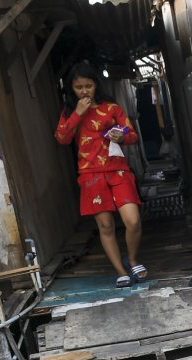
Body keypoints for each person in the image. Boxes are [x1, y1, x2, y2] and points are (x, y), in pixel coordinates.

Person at [55, 62, 147, 288]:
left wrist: (121, 137)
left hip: (118, 170)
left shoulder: (111, 108)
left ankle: (132, 259)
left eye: (88, 86)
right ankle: (120, 271)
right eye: (79, 87)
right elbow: (62, 138)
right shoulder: (69, 112)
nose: (84, 91)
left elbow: (133, 135)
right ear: (71, 89)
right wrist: (77, 113)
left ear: (96, 85)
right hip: (91, 175)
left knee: (133, 220)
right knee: (105, 225)